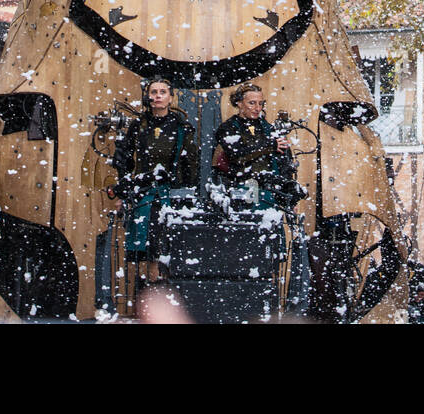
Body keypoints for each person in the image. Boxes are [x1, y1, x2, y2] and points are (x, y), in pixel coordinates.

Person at [111, 78, 198, 282]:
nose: (157, 96)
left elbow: (190, 164)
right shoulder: (138, 125)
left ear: (170, 97)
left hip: (170, 192)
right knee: (145, 246)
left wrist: (186, 192)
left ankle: (164, 290)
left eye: (162, 92)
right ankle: (148, 289)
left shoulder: (180, 126)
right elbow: (124, 160)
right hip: (144, 191)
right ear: (147, 96)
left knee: (168, 245)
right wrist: (123, 191)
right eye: (154, 92)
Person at [212, 83, 296, 208]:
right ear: (239, 103)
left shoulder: (267, 128)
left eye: (260, 103)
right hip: (242, 190)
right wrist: (268, 146)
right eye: (252, 103)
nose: (257, 108)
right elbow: (237, 156)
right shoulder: (229, 128)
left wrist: (288, 190)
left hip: (269, 191)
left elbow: (283, 159)